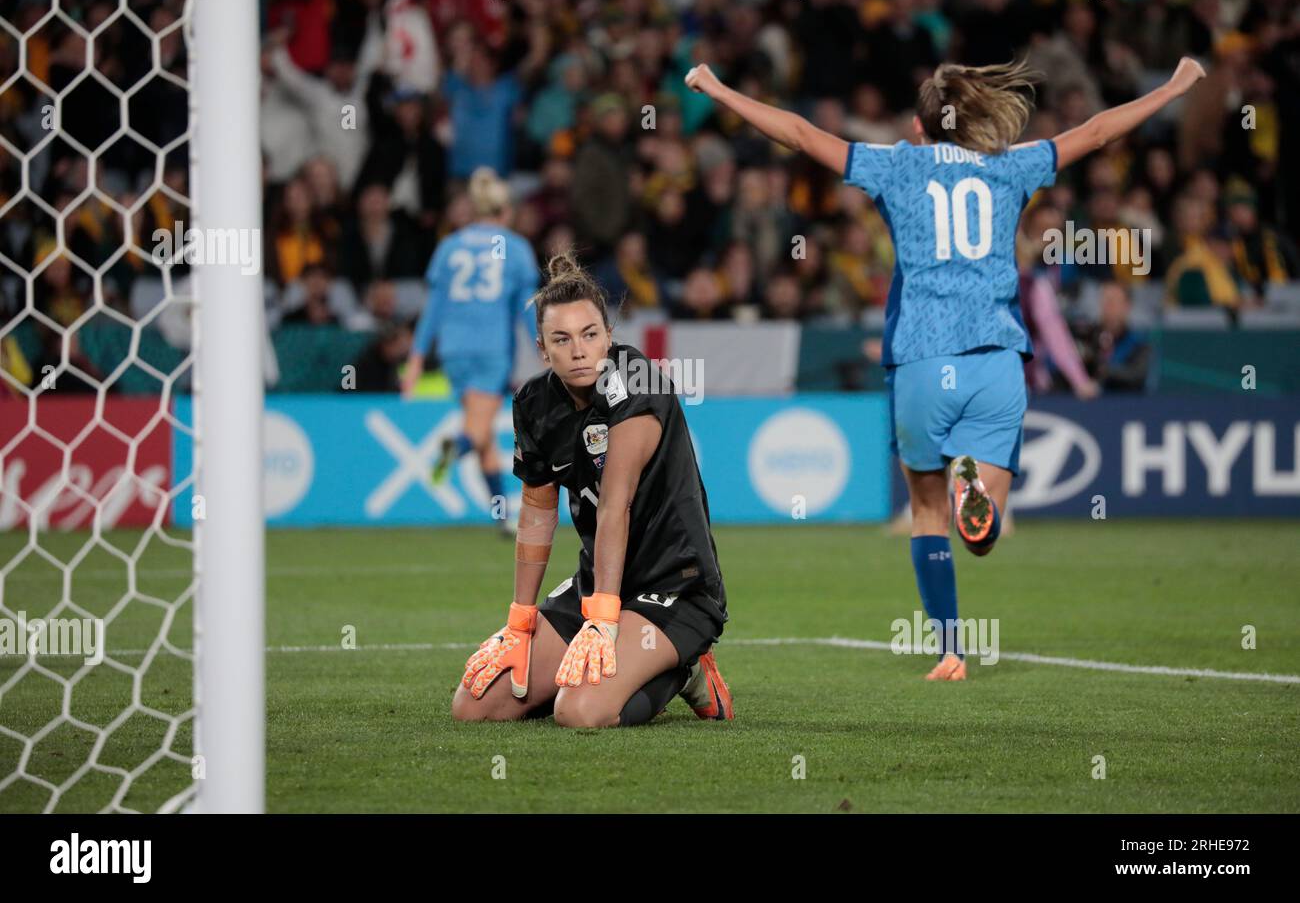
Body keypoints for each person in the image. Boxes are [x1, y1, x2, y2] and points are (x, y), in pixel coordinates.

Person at [686, 54, 1206, 679]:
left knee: (927, 514)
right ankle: (972, 483)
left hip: (922, 365)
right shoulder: (1010, 166)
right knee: (981, 538)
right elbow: (1096, 132)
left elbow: (798, 133)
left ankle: (951, 650)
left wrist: (718, 88)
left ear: (918, 126)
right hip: (996, 362)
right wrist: (1173, 87)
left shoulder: (896, 165)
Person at [451, 256, 733, 727]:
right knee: (476, 706)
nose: (579, 350)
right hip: (598, 583)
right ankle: (602, 667)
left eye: (590, 335)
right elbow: (538, 515)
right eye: (562, 339)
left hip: (677, 587)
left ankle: (683, 668)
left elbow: (615, 504)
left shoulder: (636, 381)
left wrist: (603, 616)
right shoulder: (533, 403)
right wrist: (521, 618)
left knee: (581, 711)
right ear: (543, 349)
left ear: (609, 335)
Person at [403, 168, 539, 529]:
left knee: (481, 435)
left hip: (453, 350)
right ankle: (451, 450)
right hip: (491, 348)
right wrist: (545, 346)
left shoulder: (450, 246)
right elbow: (526, 309)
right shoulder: (516, 248)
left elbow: (433, 309)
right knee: (477, 432)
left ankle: (501, 517)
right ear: (504, 211)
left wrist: (416, 358)